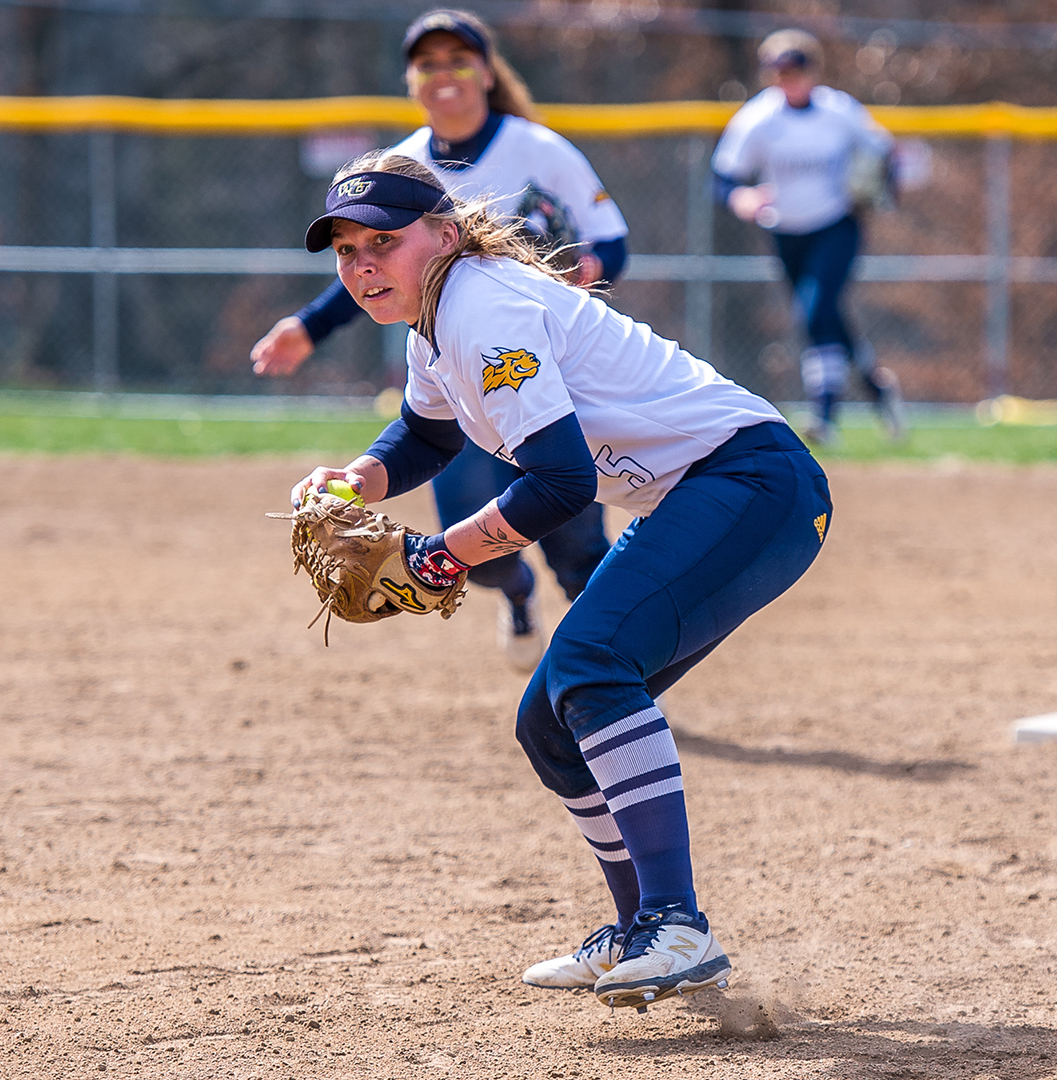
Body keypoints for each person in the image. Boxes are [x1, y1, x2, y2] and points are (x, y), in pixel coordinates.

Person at [286, 156, 833, 1009]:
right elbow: (426, 436)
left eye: (383, 242)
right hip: (701, 494)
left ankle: (677, 925)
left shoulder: (483, 307)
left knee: (593, 665)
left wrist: (441, 554)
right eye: (347, 250)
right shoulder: (435, 320)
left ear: (446, 236)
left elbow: (562, 484)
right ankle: (641, 930)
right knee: (546, 724)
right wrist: (353, 479)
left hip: (754, 484)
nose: (362, 265)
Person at [253, 8, 631, 672]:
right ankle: (517, 595)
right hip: (462, 379)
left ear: (487, 73)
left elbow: (612, 243)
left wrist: (572, 276)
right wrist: (309, 326)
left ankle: (617, 673)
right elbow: (376, 271)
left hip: (542, 369)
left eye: (459, 58)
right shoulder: (402, 169)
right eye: (427, 63)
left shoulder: (539, 149)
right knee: (481, 556)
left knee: (575, 543)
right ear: (410, 81)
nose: (444, 73)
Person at [711, 28, 908, 446]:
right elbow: (724, 178)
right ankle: (877, 388)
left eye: (795, 69)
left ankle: (824, 416)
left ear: (812, 70)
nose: (787, 79)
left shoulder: (839, 111)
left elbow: (885, 153)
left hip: (837, 224)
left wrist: (883, 186)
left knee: (814, 311)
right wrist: (741, 197)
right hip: (786, 231)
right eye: (778, 71)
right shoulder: (758, 118)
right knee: (827, 315)